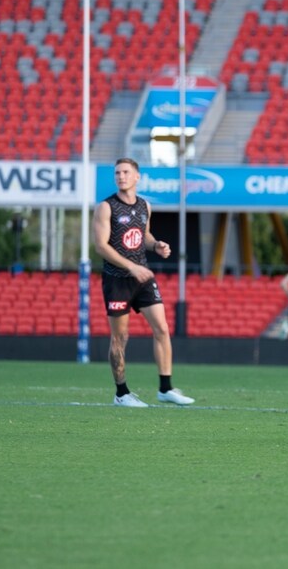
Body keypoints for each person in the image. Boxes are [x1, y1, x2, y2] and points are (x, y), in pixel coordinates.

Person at [92, 157, 194, 408]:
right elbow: (101, 246)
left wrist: (156, 245)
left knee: (162, 327)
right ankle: (121, 393)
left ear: (137, 177)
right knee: (120, 337)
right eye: (117, 173)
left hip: (142, 277)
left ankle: (165, 388)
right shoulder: (106, 207)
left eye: (126, 172)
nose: (121, 176)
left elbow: (144, 235)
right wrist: (131, 267)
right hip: (117, 280)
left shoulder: (145, 206)